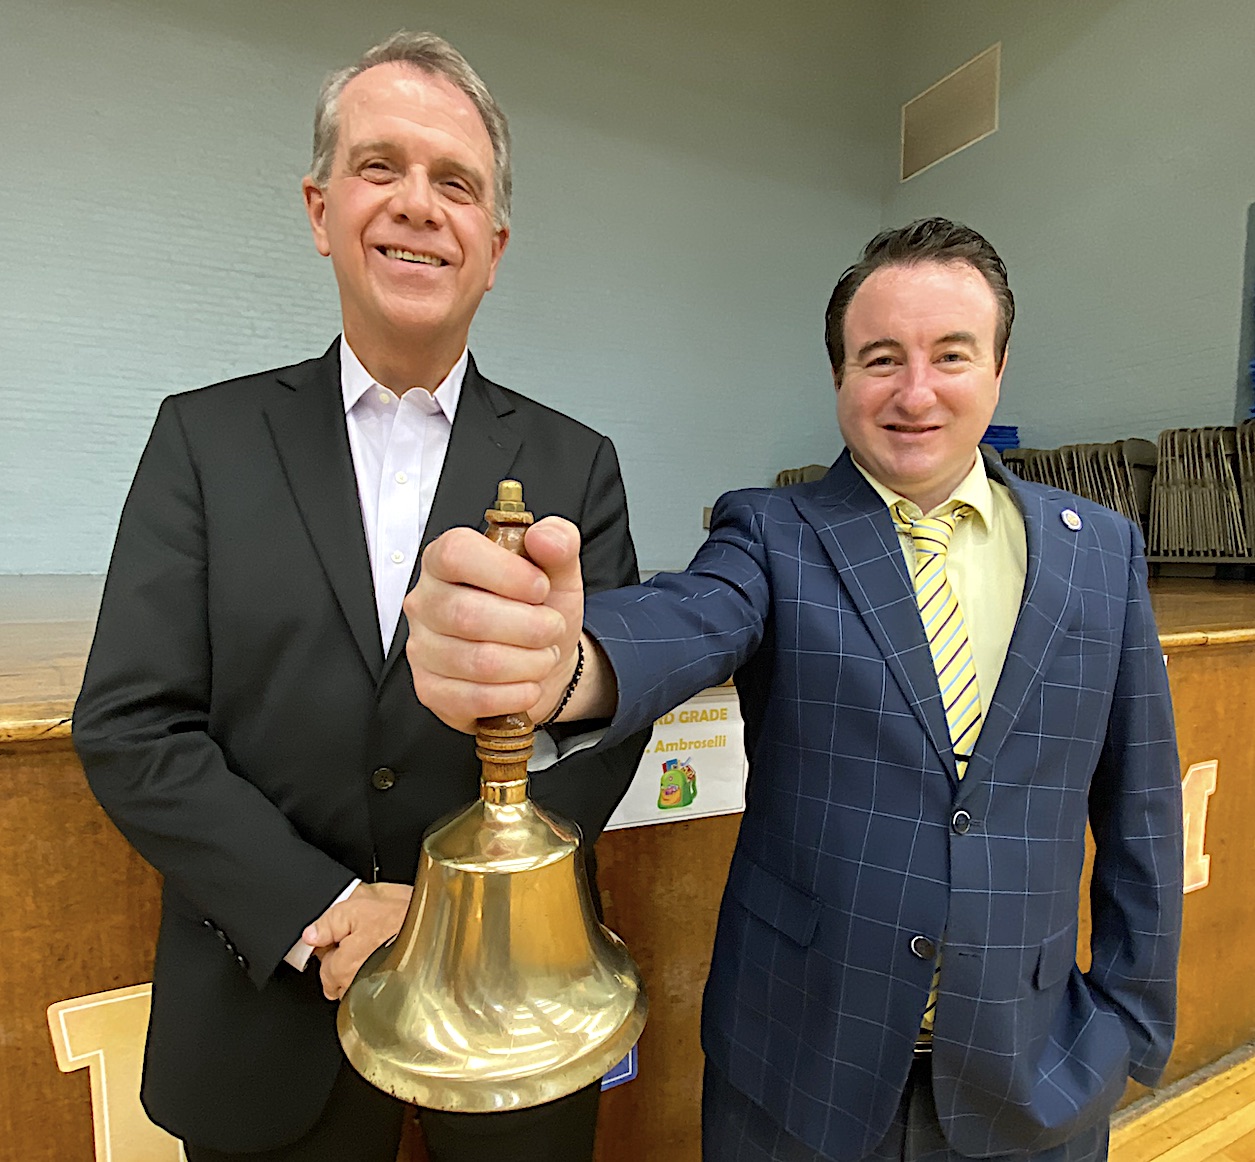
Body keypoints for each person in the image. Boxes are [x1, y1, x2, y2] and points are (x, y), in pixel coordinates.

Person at [404, 218, 1184, 1161]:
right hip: (800, 1072)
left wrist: (1126, 1028)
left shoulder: (1098, 551)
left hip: (1034, 1080)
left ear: (999, 369)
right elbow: (689, 618)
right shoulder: (776, 533)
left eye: (950, 355)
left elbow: (1141, 809)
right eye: (880, 358)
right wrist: (565, 663)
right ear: (839, 378)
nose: (915, 391)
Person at [73, 31, 649, 1162]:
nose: (419, 205)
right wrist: (327, 910)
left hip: (509, 1017)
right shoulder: (203, 439)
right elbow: (132, 723)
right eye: (380, 167)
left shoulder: (578, 464)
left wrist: (442, 917)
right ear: (320, 206)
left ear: (494, 244)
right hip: (269, 1010)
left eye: (457, 183)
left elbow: (605, 729)